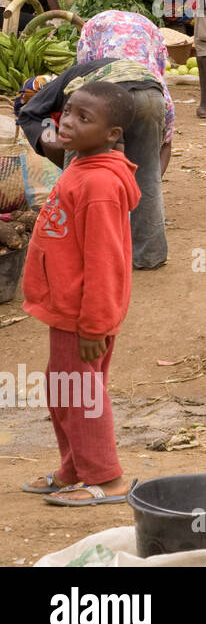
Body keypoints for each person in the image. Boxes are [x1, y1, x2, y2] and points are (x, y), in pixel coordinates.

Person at [19, 81, 140, 507]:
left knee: (79, 394)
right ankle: (74, 468)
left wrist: (94, 325)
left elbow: (106, 262)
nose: (67, 121)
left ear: (112, 135)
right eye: (68, 111)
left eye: (83, 118)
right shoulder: (83, 165)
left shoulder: (99, 187)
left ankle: (106, 478)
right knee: (64, 392)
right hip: (69, 310)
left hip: (82, 316)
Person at [75, 11, 176, 268]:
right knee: (148, 174)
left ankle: (88, 254)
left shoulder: (92, 27)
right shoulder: (151, 29)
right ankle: (149, 256)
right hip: (151, 94)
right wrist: (145, 180)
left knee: (82, 172)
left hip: (107, 95)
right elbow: (160, 74)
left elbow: (84, 71)